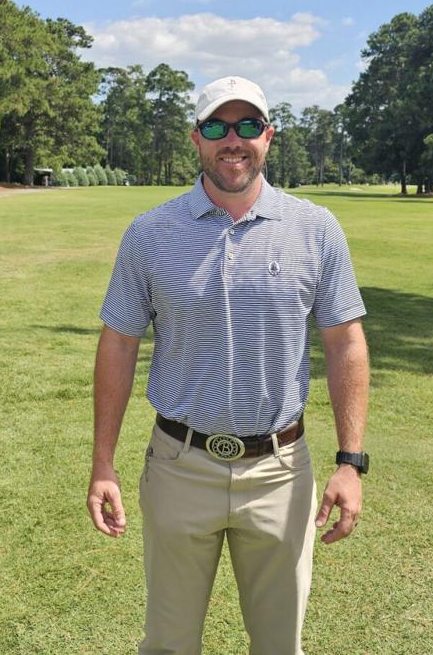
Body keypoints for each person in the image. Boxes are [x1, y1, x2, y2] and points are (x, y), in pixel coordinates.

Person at [87, 75, 370, 655]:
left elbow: (345, 341)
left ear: (268, 136)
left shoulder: (315, 229)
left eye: (246, 126)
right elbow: (119, 343)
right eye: (217, 127)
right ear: (196, 139)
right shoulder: (150, 233)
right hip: (178, 464)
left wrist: (350, 463)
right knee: (168, 644)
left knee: (277, 645)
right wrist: (103, 464)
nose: (232, 140)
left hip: (280, 471)